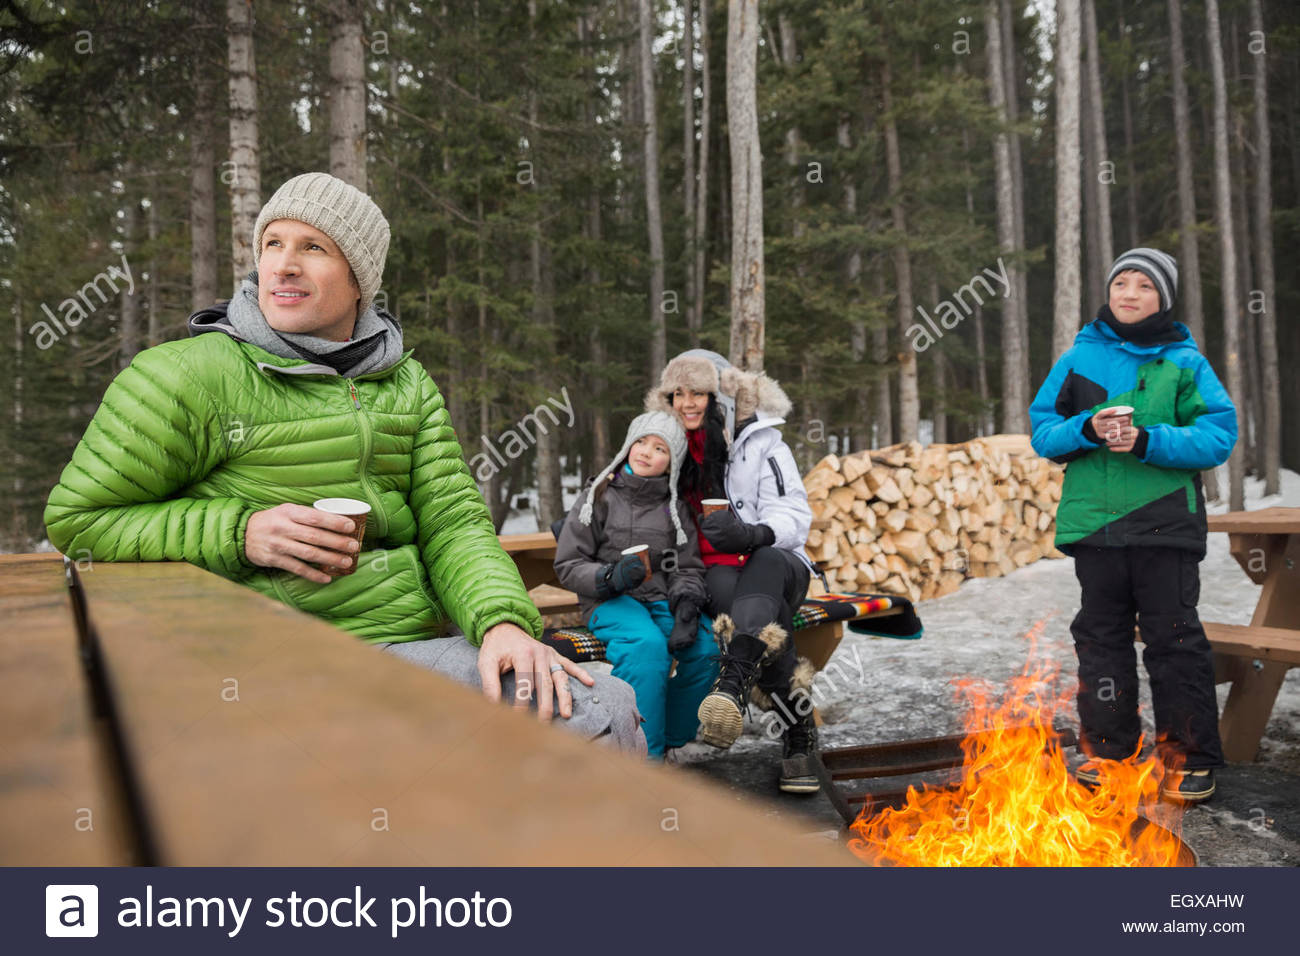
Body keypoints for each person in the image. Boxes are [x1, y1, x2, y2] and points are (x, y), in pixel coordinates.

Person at [44, 171, 644, 754]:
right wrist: (241, 532)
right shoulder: (184, 375)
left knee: (605, 699)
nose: (283, 264)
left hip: (407, 642)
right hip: (268, 658)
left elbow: (453, 526)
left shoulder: (405, 384)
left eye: (313, 247)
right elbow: (81, 519)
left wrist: (502, 624)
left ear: (359, 279)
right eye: (273, 243)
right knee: (591, 720)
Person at [1029, 247, 1237, 802]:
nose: (1130, 293)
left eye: (1145, 285)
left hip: (1164, 523)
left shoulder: (1184, 361)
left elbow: (1220, 435)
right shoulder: (1078, 357)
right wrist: (1087, 428)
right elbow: (1044, 433)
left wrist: (1149, 440)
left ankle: (1190, 757)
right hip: (1094, 527)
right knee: (1101, 642)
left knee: (1174, 640)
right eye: (1123, 282)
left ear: (1162, 298)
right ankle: (1110, 754)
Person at [646, 350, 818, 793]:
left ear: (719, 394)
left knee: (764, 569)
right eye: (677, 393)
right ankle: (799, 738)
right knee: (763, 614)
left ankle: (732, 682)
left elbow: (795, 514)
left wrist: (752, 533)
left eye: (697, 392)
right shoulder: (668, 446)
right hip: (713, 572)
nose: (687, 402)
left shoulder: (763, 443)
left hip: (779, 560)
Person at [554, 411, 717, 760]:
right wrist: (608, 577)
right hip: (609, 600)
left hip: (660, 599)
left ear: (672, 462)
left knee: (706, 649)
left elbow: (686, 565)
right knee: (646, 648)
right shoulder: (598, 496)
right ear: (628, 445)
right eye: (640, 442)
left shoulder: (674, 509)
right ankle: (643, 762)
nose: (645, 452)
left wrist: (687, 604)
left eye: (659, 448)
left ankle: (668, 735)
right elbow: (568, 564)